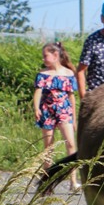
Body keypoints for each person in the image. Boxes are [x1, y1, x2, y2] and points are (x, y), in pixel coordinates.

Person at [34, 42, 80, 191]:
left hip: (64, 111)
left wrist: (73, 116)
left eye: (45, 56)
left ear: (55, 55)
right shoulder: (43, 75)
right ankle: (47, 181)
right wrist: (36, 108)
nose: (43, 59)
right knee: (48, 147)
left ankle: (73, 181)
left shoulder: (68, 73)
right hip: (47, 111)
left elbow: (71, 96)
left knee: (71, 144)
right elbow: (38, 92)